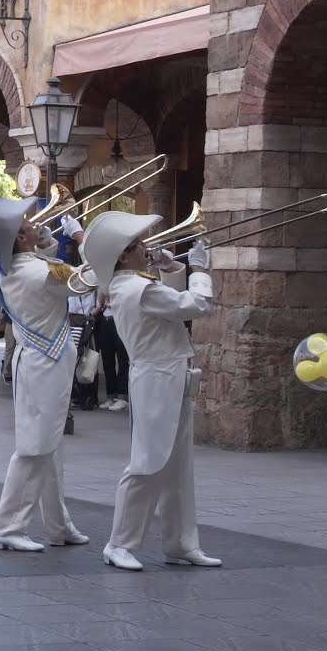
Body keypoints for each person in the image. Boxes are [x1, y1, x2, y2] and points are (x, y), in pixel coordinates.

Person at [81, 212, 221, 571]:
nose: (146, 247)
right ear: (124, 256)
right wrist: (200, 271)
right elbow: (194, 306)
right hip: (157, 374)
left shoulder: (136, 283)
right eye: (138, 245)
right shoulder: (135, 288)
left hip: (169, 372)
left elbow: (170, 303)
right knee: (147, 463)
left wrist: (173, 267)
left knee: (177, 466)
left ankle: (181, 543)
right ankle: (119, 543)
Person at [0, 198, 89, 553]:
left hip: (42, 360)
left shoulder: (17, 265)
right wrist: (83, 239)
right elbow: (82, 281)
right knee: (34, 447)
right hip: (45, 364)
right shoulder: (33, 272)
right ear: (20, 239)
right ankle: (9, 526)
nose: (33, 223)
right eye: (25, 225)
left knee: (50, 447)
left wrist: (46, 243)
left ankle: (58, 525)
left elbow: (47, 264)